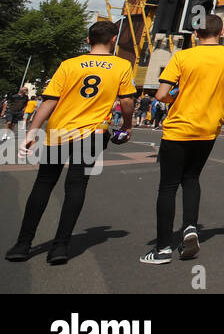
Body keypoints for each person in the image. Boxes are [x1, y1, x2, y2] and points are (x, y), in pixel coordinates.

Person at [5, 21, 136, 265]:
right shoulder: (122, 65)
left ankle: (23, 244)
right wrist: (127, 124)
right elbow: (127, 100)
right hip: (93, 133)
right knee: (76, 187)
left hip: (60, 131)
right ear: (113, 39)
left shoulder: (69, 64)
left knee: (44, 183)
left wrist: (33, 131)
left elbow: (49, 101)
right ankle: (60, 247)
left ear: (88, 40)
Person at [141, 14, 224, 264]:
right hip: (208, 129)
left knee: (168, 186)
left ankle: (162, 248)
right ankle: (190, 227)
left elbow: (161, 94)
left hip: (179, 127)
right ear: (221, 33)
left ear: (195, 34)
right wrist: (222, 92)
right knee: (192, 179)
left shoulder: (182, 56)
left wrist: (176, 98)